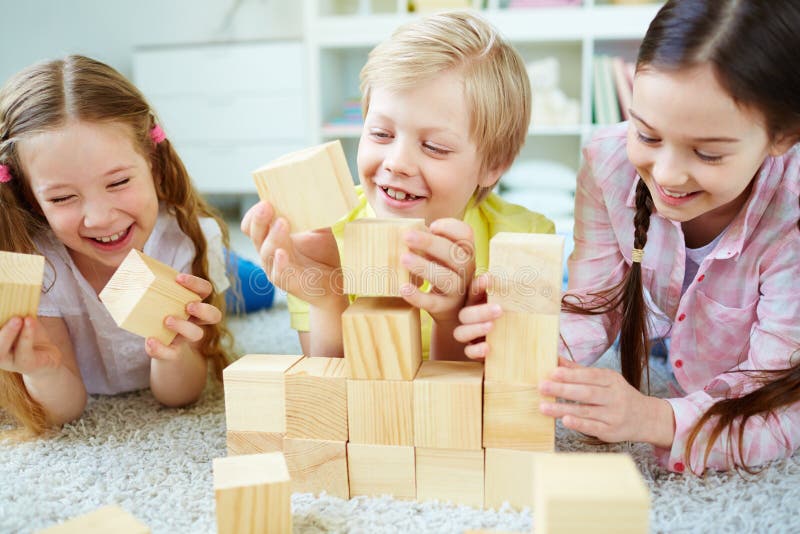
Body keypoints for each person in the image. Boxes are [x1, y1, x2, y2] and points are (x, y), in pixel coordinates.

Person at [456, 0, 800, 474]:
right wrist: (523, 341)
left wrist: (651, 417)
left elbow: (782, 409)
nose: (668, 175)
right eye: (648, 135)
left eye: (708, 153)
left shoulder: (791, 211)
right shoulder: (608, 161)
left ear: (784, 136)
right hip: (664, 331)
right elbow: (595, 303)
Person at [242, 11, 554, 361]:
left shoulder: (525, 244)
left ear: (493, 165)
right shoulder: (319, 235)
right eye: (381, 134)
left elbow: (497, 396)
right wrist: (328, 297)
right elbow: (332, 394)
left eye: (434, 147)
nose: (397, 162)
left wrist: (450, 316)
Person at [0, 55, 232, 436]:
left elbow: (180, 396)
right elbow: (66, 408)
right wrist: (39, 368)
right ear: (30, 198)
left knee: (248, 284)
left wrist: (175, 349)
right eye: (62, 198)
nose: (100, 217)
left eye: (118, 183)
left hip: (177, 241)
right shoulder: (38, 262)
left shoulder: (184, 240)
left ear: (154, 165)